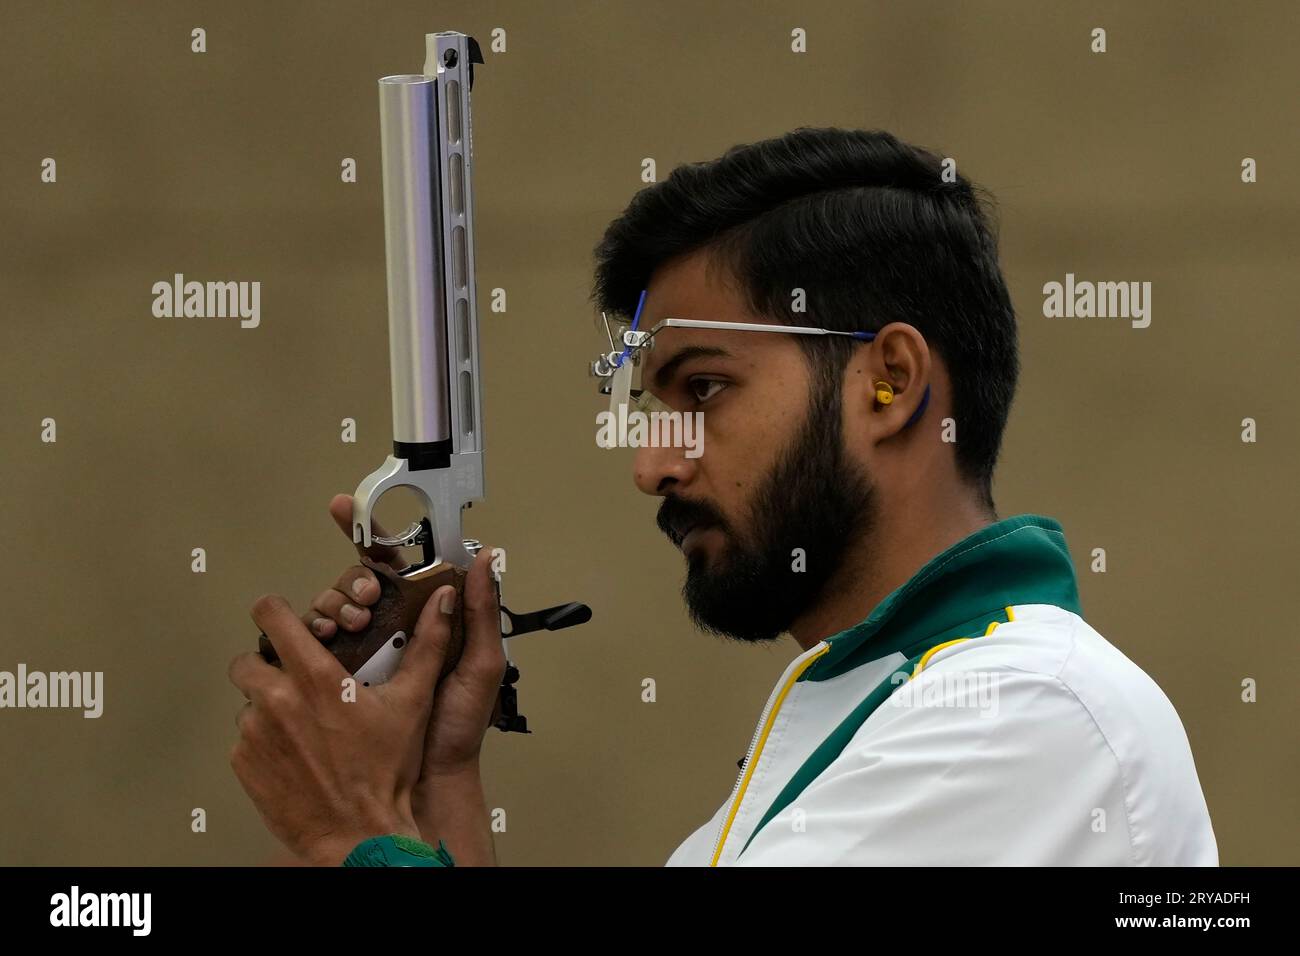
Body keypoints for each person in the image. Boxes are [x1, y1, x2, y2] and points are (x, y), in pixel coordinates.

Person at [230, 127, 1217, 866]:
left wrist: (354, 832)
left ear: (891, 381)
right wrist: (430, 779)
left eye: (704, 388)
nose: (652, 464)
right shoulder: (869, 717)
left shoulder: (1023, 717)